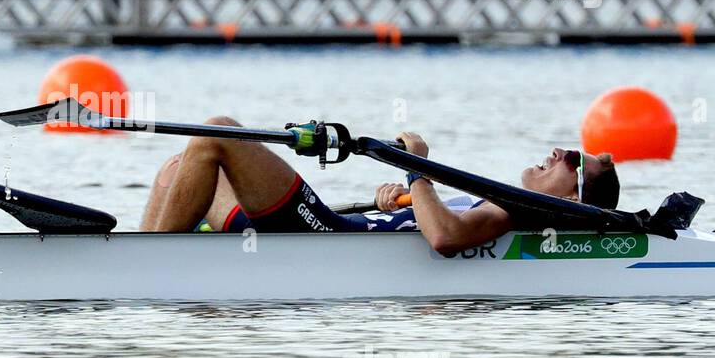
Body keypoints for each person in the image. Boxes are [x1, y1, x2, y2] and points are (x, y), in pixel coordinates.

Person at [140, 116, 620, 253]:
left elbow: (446, 238)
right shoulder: (494, 200)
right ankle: (151, 257)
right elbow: (428, 216)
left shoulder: (522, 212)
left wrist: (418, 169)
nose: (558, 151)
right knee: (176, 168)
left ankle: (143, 267)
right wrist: (395, 200)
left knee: (215, 133)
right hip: (341, 226)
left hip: (325, 239)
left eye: (572, 160)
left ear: (573, 197)